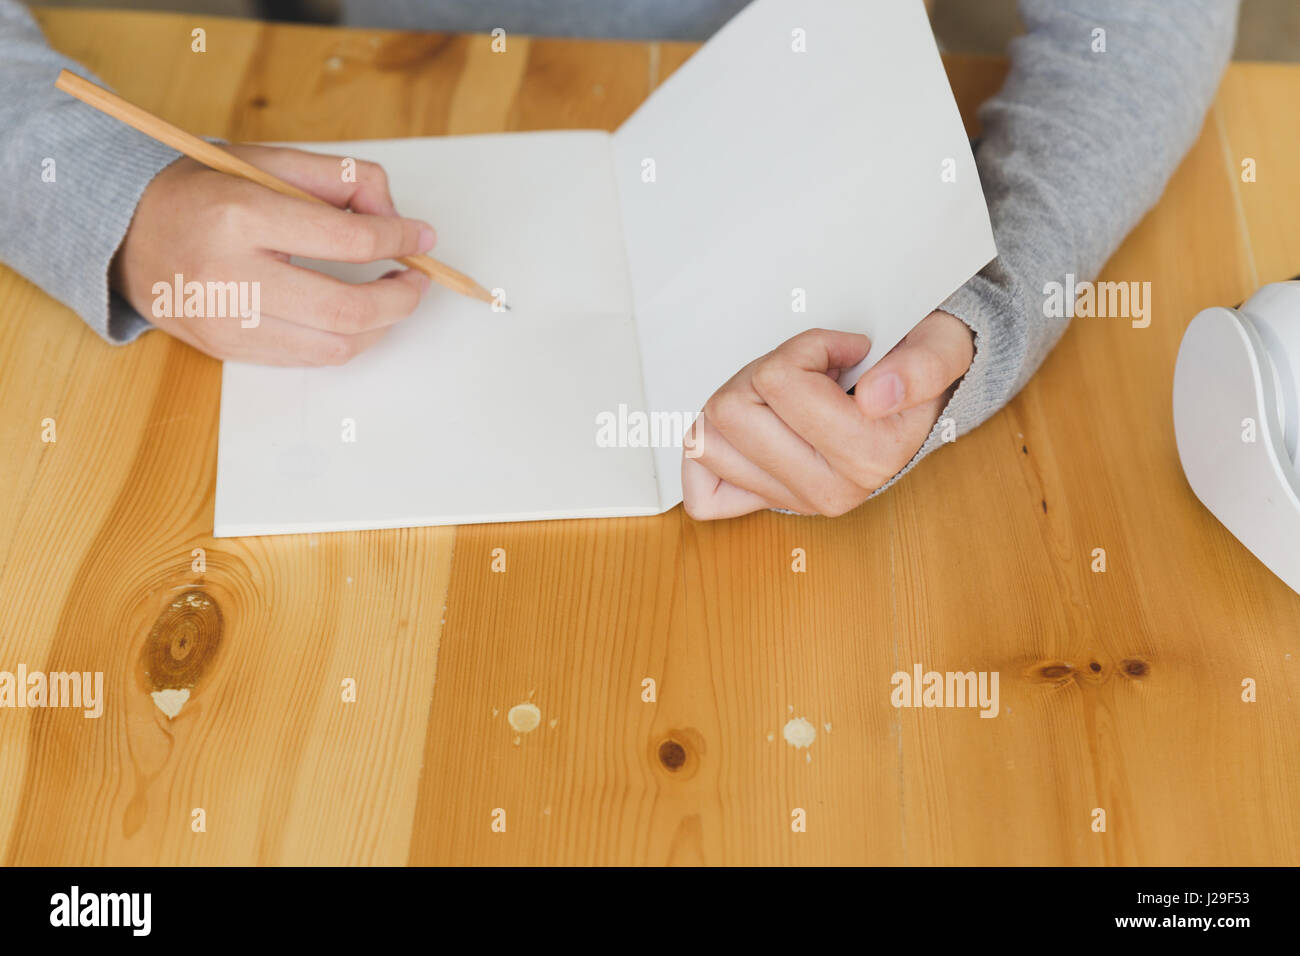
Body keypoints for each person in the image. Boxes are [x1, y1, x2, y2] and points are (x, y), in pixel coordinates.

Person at [0, 0, 1240, 519]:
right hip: (376, 73)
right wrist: (115, 192)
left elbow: (1138, 24)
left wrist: (984, 301)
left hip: (816, 146)